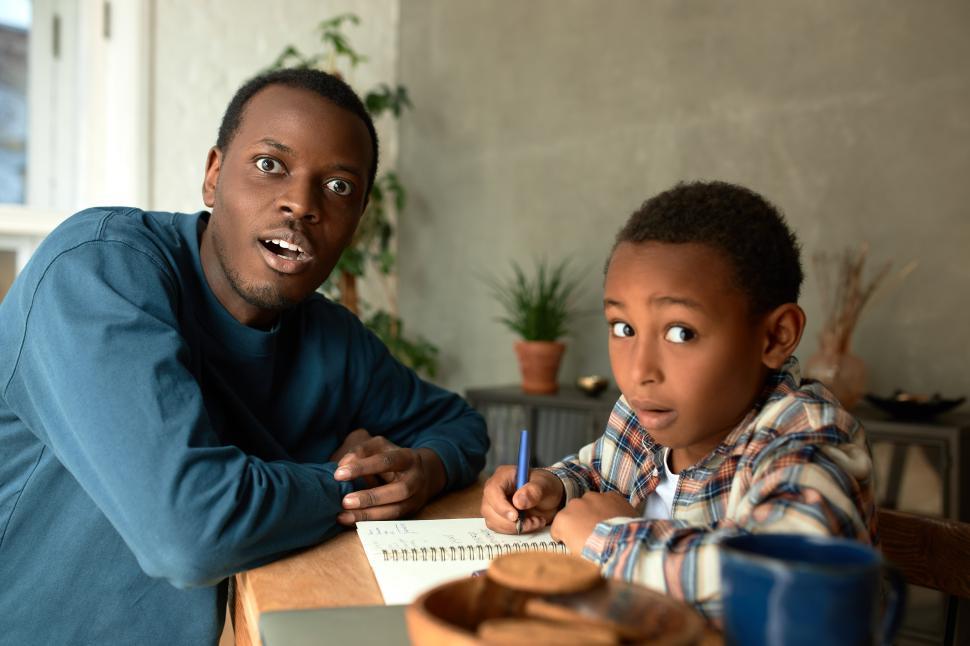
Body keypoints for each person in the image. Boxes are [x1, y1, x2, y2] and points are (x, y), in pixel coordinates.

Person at [0, 68, 488, 644]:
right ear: (213, 176)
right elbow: (189, 532)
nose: (300, 204)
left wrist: (423, 471)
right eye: (269, 164)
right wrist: (351, 486)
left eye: (338, 187)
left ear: (355, 223)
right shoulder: (99, 271)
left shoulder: (331, 337)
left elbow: (457, 424)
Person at [481, 180, 876, 619]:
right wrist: (551, 488)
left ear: (774, 337)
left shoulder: (807, 437)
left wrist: (609, 538)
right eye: (623, 328)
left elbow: (795, 581)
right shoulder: (644, 413)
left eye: (681, 332)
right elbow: (597, 472)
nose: (639, 371)